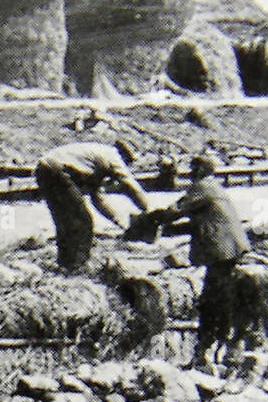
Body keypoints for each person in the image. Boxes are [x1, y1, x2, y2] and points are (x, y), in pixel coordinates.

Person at [147, 155, 250, 367]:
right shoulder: (213, 188)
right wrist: (165, 230)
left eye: (192, 169)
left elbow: (176, 210)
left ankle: (210, 348)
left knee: (213, 299)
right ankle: (216, 347)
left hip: (223, 251)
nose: (189, 173)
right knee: (218, 295)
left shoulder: (202, 187)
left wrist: (150, 220)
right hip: (228, 249)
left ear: (199, 171)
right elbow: (198, 224)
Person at [35, 137, 152, 271]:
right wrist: (149, 209)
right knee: (83, 220)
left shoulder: (95, 162)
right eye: (129, 162)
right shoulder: (112, 156)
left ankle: (65, 263)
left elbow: (98, 200)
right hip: (56, 169)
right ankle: (77, 266)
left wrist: (121, 223)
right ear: (125, 155)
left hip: (43, 169)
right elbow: (130, 184)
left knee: (65, 220)